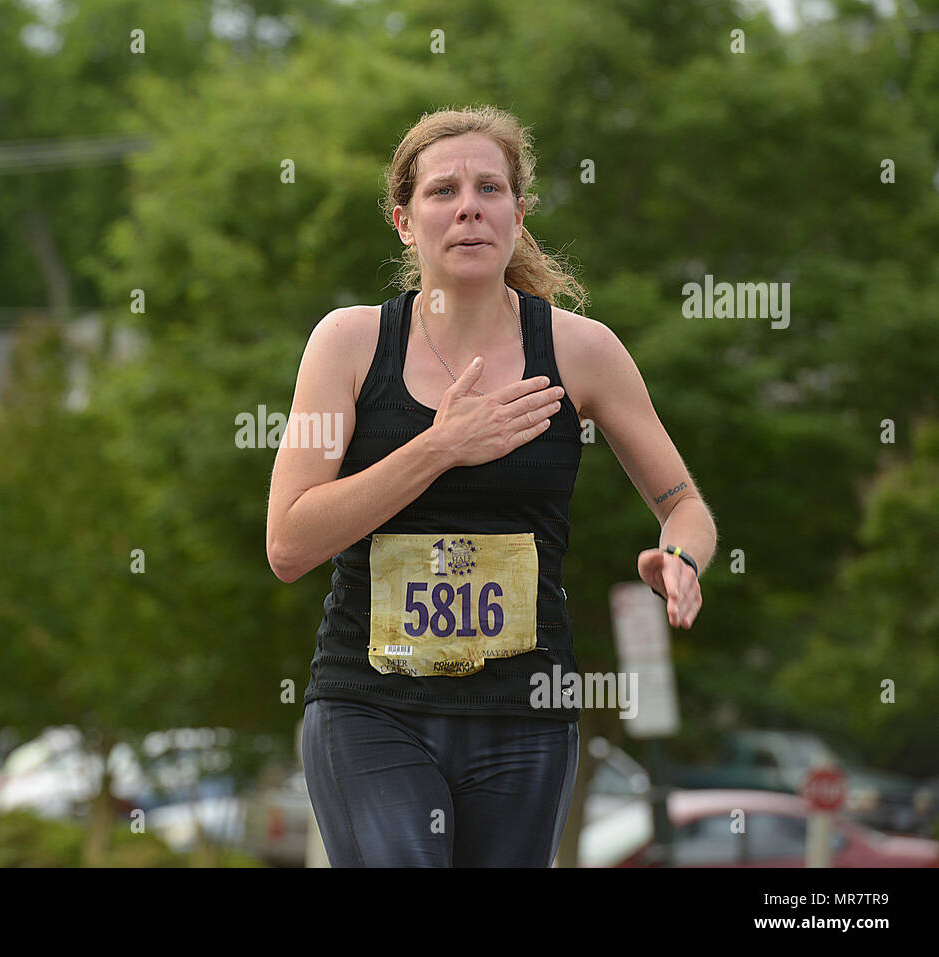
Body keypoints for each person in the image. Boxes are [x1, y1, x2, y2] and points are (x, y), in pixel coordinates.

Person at [265, 106, 717, 867]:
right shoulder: (347, 343)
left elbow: (685, 506)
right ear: (405, 222)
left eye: (489, 188)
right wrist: (439, 447)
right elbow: (288, 541)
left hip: (524, 715)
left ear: (518, 213)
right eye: (443, 191)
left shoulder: (583, 350)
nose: (468, 206)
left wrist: (681, 556)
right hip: (370, 707)